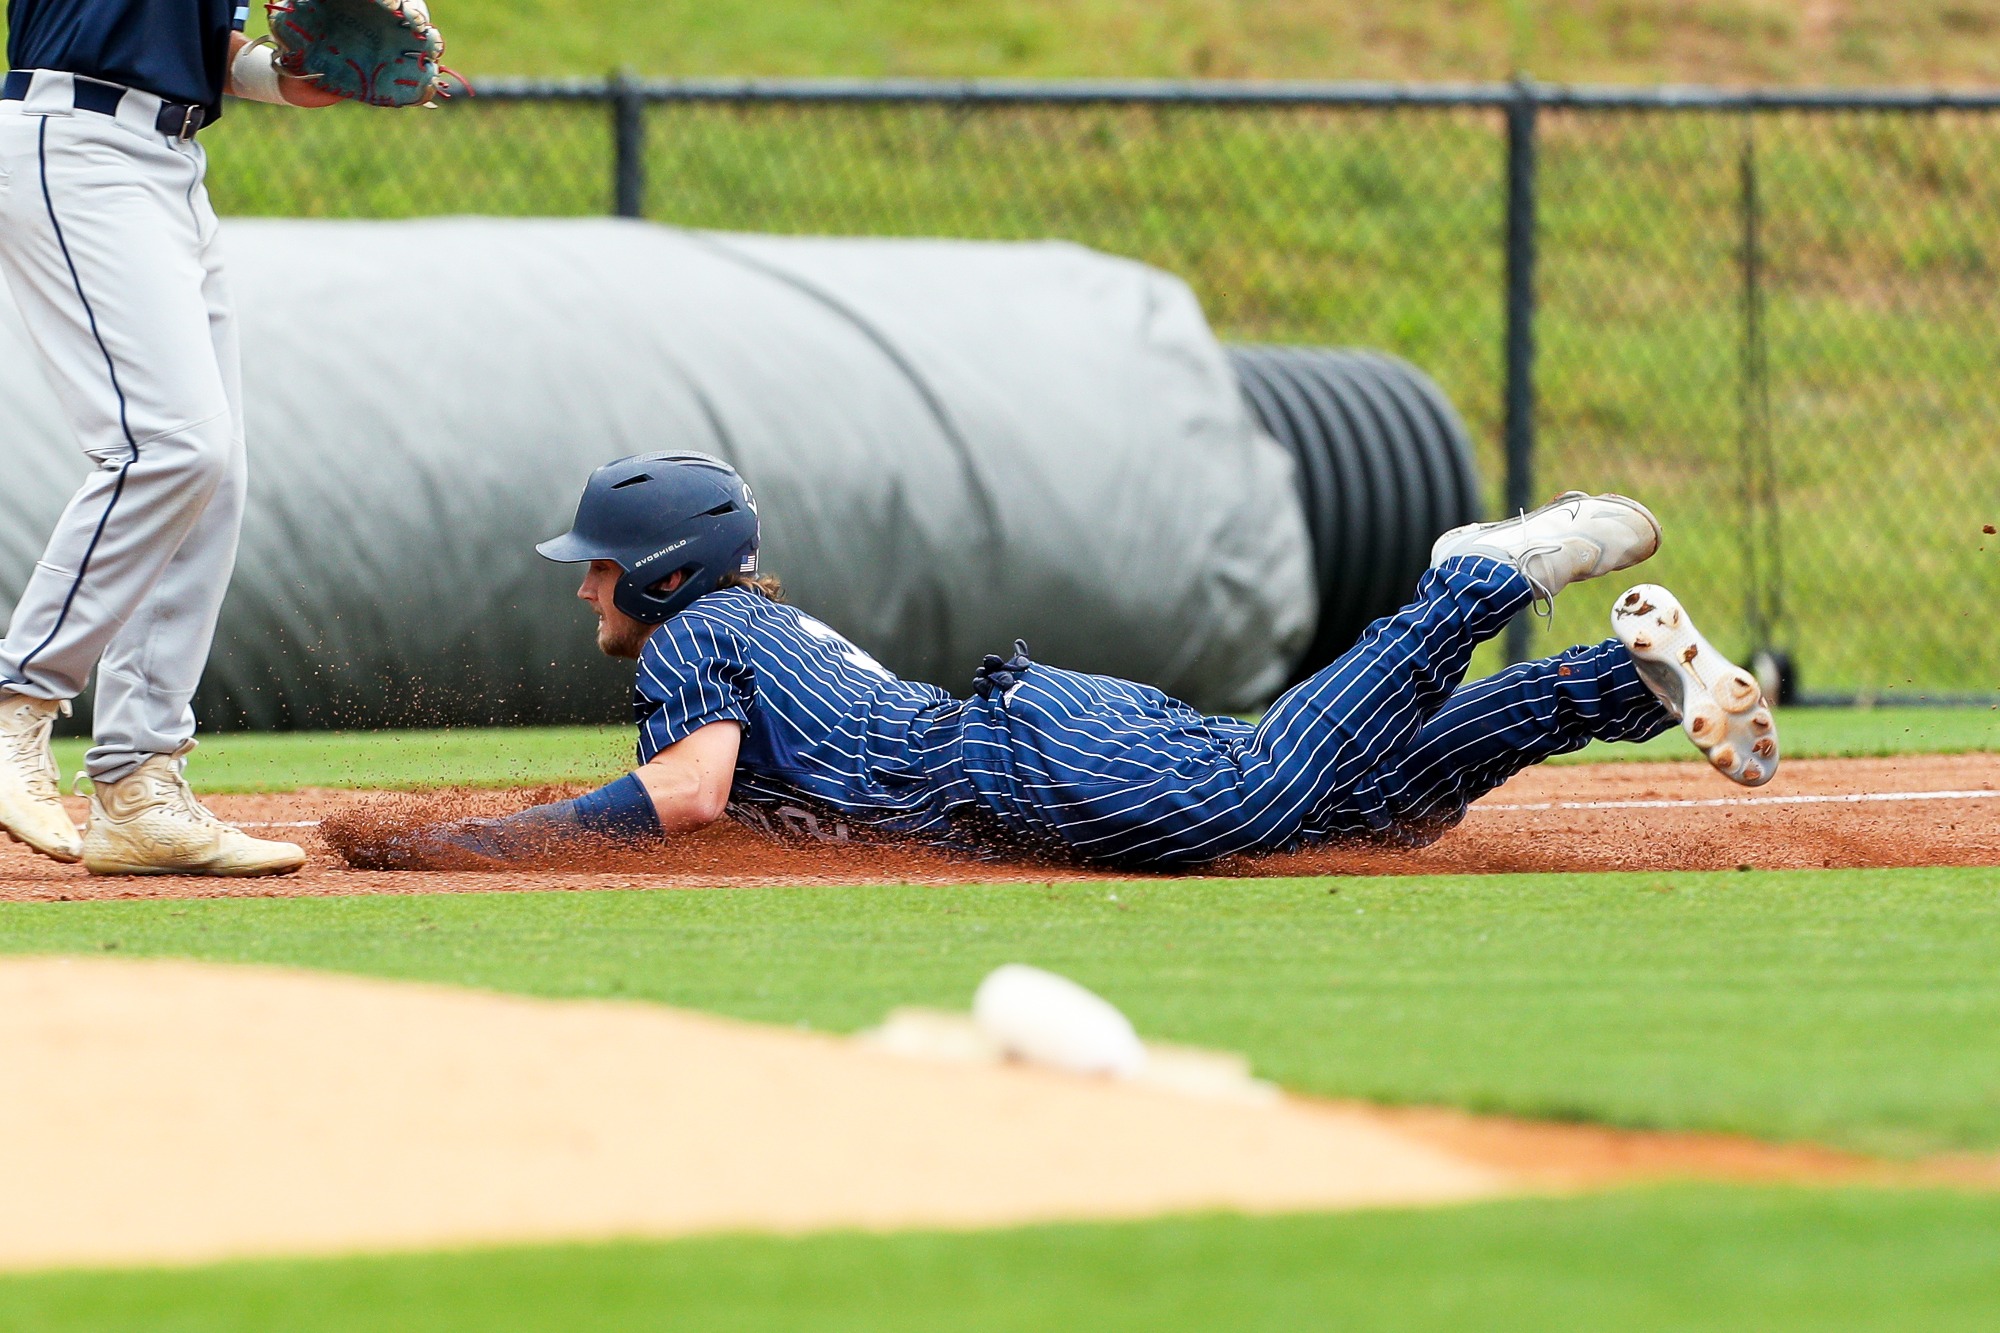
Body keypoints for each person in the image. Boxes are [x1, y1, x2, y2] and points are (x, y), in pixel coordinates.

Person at [391, 451, 1778, 871]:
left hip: (1030, 760)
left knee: (1253, 793)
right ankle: (1614, 682)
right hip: (1034, 755)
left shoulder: (695, 631)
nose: (583, 583)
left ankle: (1472, 579)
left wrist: (496, 841)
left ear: (662, 570)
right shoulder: (736, 622)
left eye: (597, 559)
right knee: (1373, 810)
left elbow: (691, 789)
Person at [0, 4, 345, 875]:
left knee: (209, 479)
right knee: (172, 446)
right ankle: (16, 703)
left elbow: (195, 44)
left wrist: (281, 75)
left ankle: (138, 784)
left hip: (172, 162)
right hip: (73, 142)